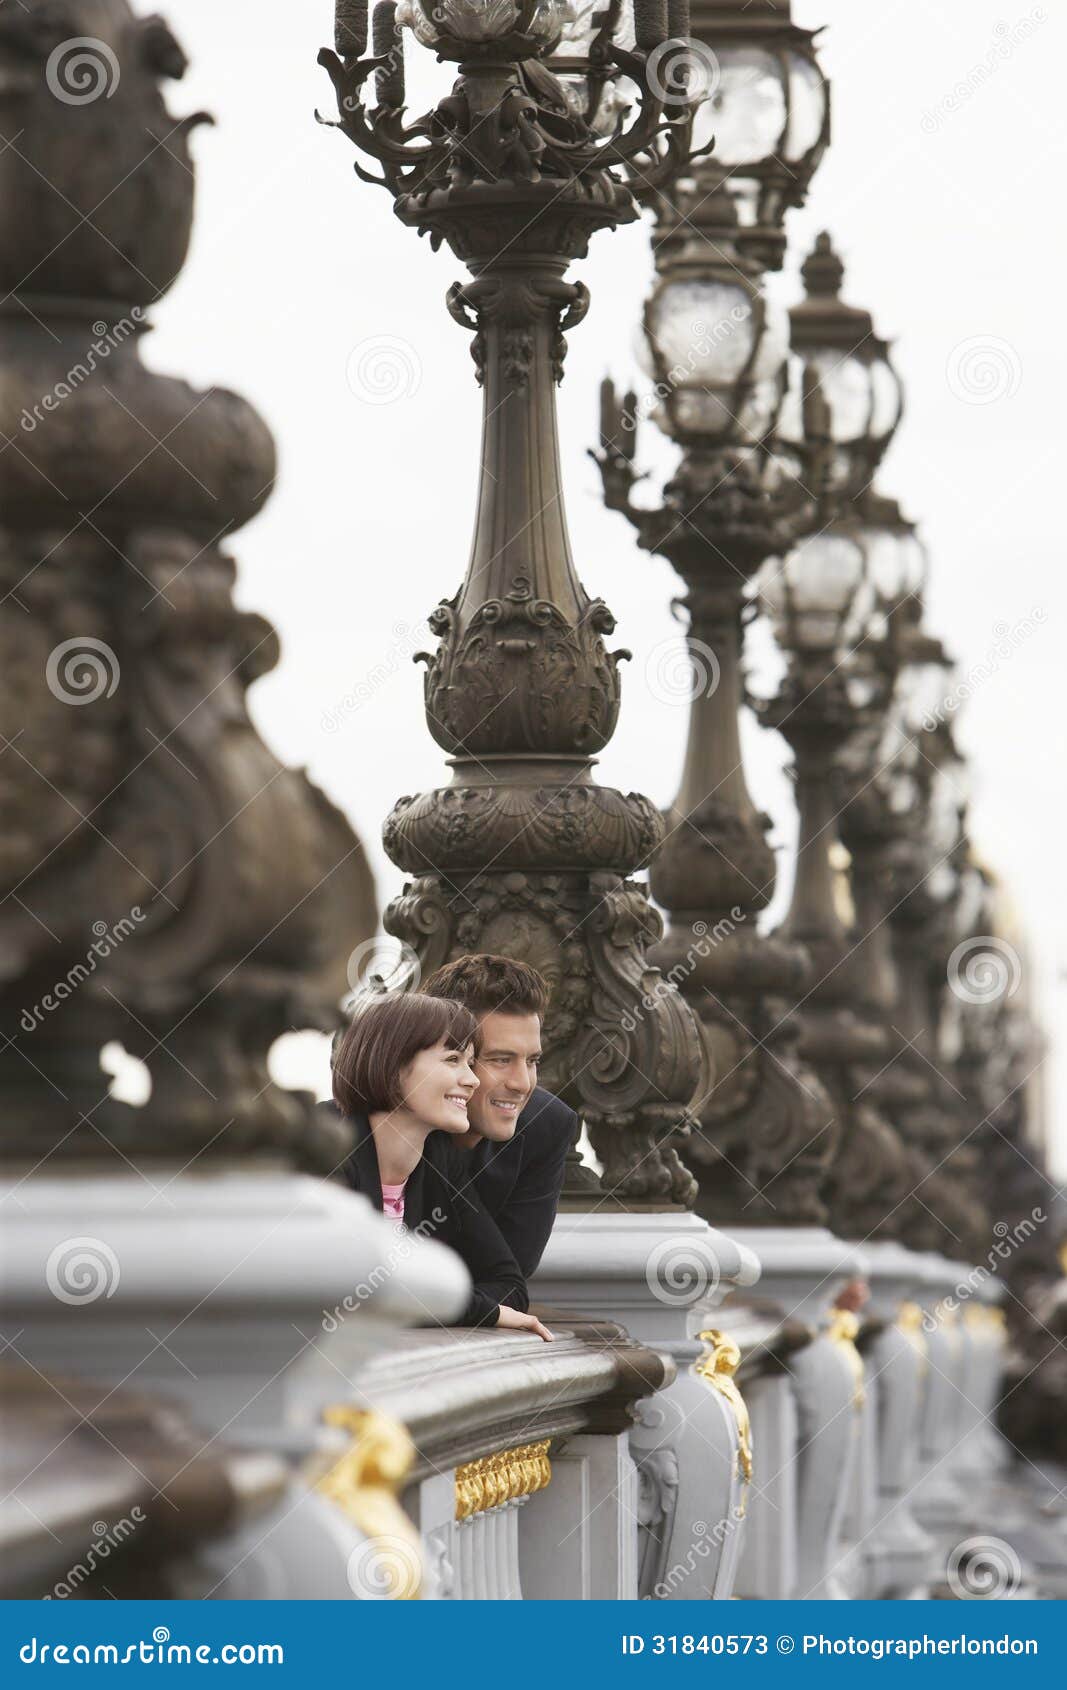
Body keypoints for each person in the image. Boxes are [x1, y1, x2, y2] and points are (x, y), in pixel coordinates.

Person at [331, 992, 553, 1340]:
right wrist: (481, 1309)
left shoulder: (438, 1157)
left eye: (470, 1061)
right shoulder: (326, 1147)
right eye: (453, 1059)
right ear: (393, 1065)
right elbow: (353, 1292)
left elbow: (509, 1284)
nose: (472, 1079)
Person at [420, 955, 575, 1278]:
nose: (522, 1083)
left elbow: (509, 1279)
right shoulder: (381, 1128)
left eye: (532, 1061)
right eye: (501, 1060)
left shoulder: (547, 1126)